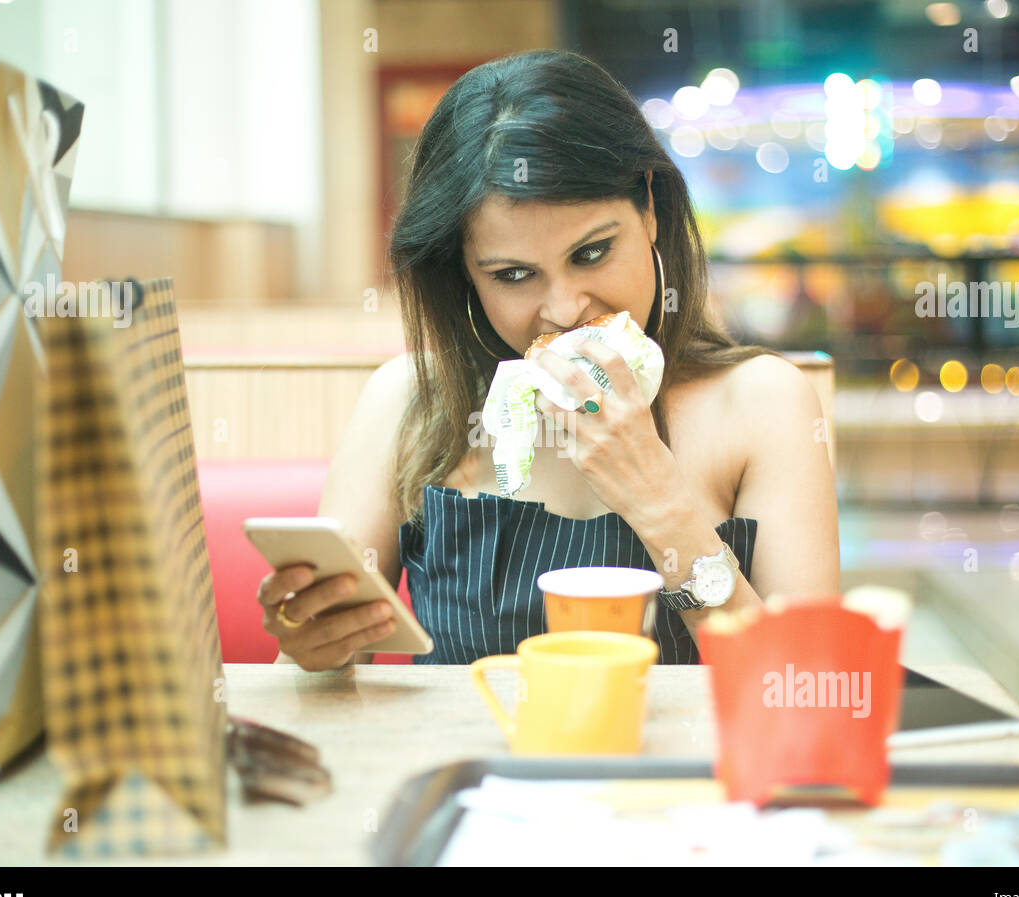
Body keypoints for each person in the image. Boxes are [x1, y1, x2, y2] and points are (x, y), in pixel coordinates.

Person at [257, 49, 839, 670]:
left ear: (649, 208)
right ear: (464, 276)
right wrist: (311, 650)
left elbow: (808, 689)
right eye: (513, 274)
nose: (564, 309)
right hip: (467, 766)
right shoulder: (409, 401)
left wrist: (661, 504)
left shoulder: (764, 403)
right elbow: (318, 677)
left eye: (591, 254)